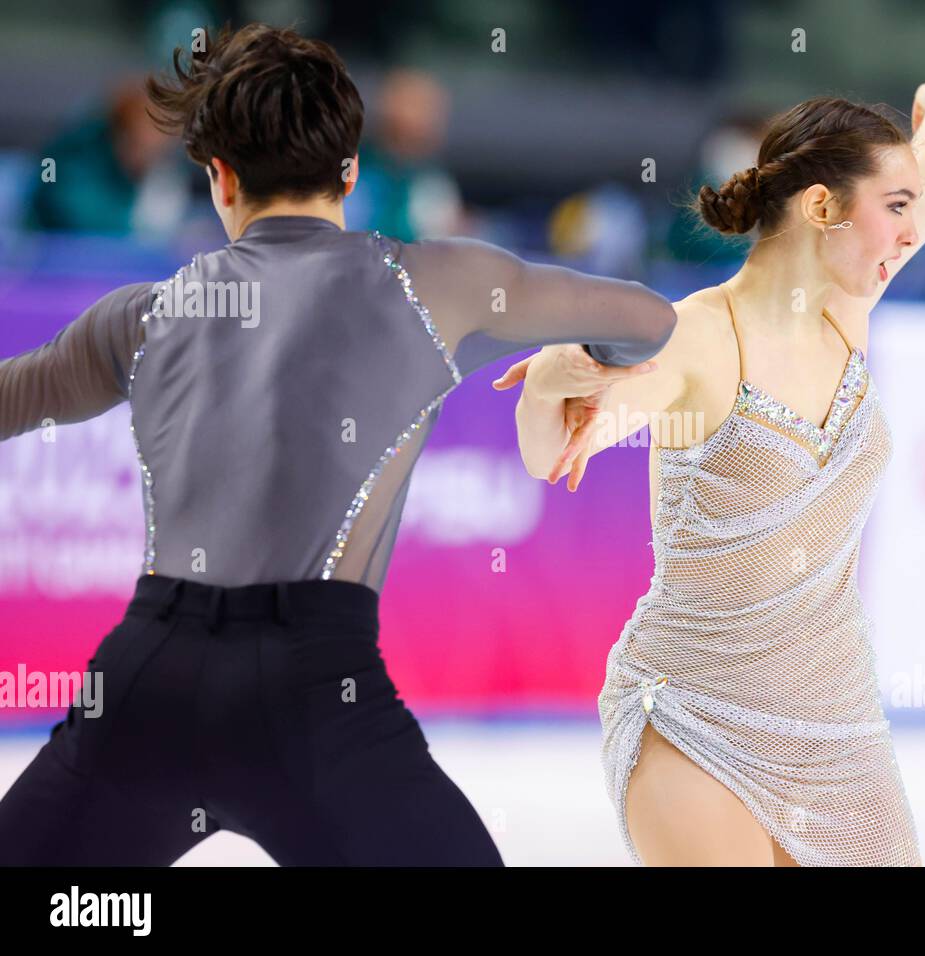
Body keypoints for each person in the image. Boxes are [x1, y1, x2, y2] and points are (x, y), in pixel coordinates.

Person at [0, 23, 675, 865]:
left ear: (220, 179)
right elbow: (650, 320)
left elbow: (9, 399)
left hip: (146, 686)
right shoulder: (438, 283)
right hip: (315, 695)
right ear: (351, 171)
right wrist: (577, 366)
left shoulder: (145, 315)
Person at [495, 87, 925, 865]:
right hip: (695, 712)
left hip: (839, 728)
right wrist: (551, 387)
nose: (910, 233)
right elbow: (554, 447)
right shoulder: (699, 339)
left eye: (909, 210)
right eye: (891, 208)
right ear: (824, 207)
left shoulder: (843, 308)